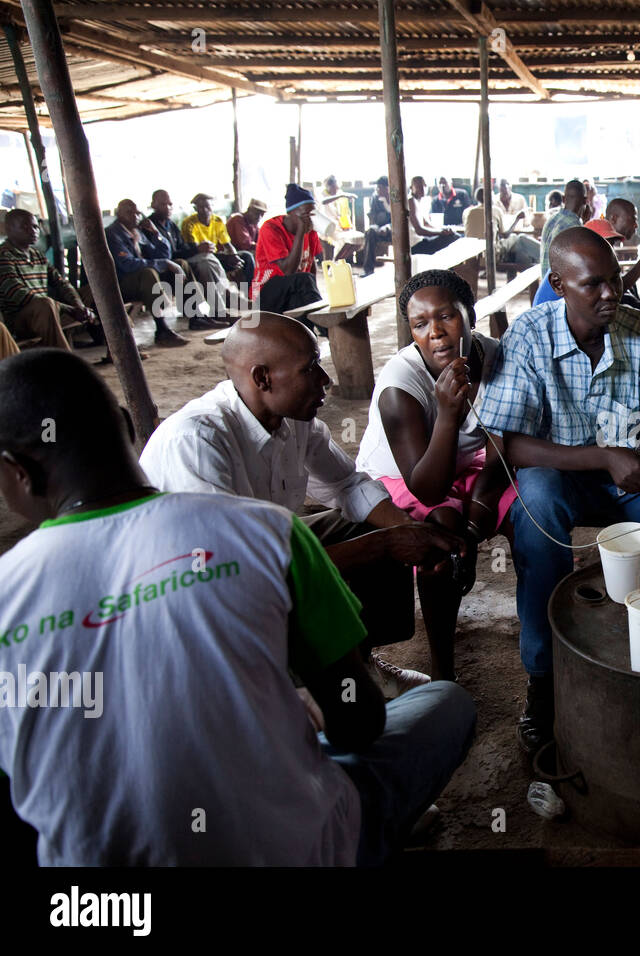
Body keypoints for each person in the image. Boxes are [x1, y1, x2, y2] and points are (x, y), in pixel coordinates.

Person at [0, 348, 476, 866]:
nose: (322, 379)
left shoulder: (9, 592)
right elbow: (357, 725)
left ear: (14, 471)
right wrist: (301, 709)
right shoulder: (262, 527)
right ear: (125, 429)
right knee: (448, 704)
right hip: (301, 849)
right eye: (308, 366)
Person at [476, 227, 640, 755]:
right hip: (566, 477)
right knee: (535, 502)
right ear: (558, 284)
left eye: (615, 280)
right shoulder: (527, 336)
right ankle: (544, 679)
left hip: (634, 479)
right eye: (593, 285)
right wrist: (604, 457)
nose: (610, 293)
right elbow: (509, 446)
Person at [139, 310, 456, 696]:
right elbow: (234, 569)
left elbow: (347, 484)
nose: (325, 381)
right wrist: (386, 544)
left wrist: (408, 530)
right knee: (369, 544)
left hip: (259, 547)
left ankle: (358, 664)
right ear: (262, 378)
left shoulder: (294, 420)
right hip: (199, 588)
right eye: (311, 369)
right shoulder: (197, 441)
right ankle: (301, 685)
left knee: (373, 524)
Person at [357, 270, 514, 682]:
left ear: (471, 315)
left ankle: (540, 646)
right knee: (441, 532)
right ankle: (444, 670)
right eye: (420, 324)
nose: (436, 333)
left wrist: (479, 510)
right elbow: (427, 489)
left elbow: (504, 445)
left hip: (470, 468)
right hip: (404, 477)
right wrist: (446, 411)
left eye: (447, 317)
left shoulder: (499, 357)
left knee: (528, 509)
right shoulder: (400, 383)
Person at [0, 207, 94, 351]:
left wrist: (79, 306)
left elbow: (61, 283)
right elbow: (16, 293)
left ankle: (116, 346)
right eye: (25, 226)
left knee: (95, 292)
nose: (33, 231)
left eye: (36, 226)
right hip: (20, 321)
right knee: (45, 304)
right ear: (9, 229)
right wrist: (69, 309)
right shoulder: (4, 255)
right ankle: (64, 361)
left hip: (47, 312)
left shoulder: (37, 255)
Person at [103, 199, 190, 347]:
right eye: (129, 213)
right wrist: (165, 263)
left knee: (181, 263)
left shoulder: (137, 232)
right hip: (122, 283)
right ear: (119, 214)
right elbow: (127, 265)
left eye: (137, 213)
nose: (135, 216)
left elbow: (164, 255)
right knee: (148, 273)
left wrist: (156, 234)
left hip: (143, 281)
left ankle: (196, 316)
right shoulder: (113, 234)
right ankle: (162, 329)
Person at [252, 184, 325, 315]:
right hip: (265, 294)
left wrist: (312, 293)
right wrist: (301, 233)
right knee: (303, 279)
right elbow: (288, 271)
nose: (310, 219)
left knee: (302, 309)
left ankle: (319, 330)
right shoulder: (271, 228)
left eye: (312, 214)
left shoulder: (311, 231)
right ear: (291, 213)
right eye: (305, 214)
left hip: (292, 290)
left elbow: (311, 265)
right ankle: (328, 325)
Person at [144, 189, 229, 296]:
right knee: (205, 263)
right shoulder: (149, 227)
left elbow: (182, 247)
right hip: (166, 268)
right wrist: (196, 249)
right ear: (153, 205)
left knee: (207, 257)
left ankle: (225, 295)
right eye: (163, 204)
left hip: (181, 260)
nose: (168, 208)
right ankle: (220, 303)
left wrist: (199, 248)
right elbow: (166, 256)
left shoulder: (170, 224)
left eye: (170, 204)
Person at [533, 178, 585, 307]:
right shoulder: (575, 227)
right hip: (559, 298)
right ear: (585, 201)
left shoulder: (552, 220)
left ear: (563, 199)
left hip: (546, 289)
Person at [182, 192, 254, 283]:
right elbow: (197, 250)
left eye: (207, 206)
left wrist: (234, 255)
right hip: (202, 258)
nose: (205, 210)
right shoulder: (189, 223)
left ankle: (251, 291)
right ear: (195, 208)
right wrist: (226, 257)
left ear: (212, 206)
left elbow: (227, 244)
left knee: (247, 256)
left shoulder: (217, 220)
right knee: (212, 261)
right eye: (200, 207)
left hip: (217, 255)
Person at [604, 198, 640, 303]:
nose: (636, 225)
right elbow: (619, 288)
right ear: (614, 219)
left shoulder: (609, 243)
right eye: (633, 219)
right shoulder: (602, 245)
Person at [490, 179, 541, 270]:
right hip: (501, 242)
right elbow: (504, 234)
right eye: (502, 191)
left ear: (510, 187)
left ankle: (523, 275)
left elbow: (527, 222)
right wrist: (516, 219)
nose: (504, 194)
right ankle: (546, 258)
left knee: (521, 248)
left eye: (506, 189)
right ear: (498, 189)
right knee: (521, 241)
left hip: (513, 235)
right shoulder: (494, 203)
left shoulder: (519, 199)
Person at [315, 175, 364, 262]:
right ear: (328, 186)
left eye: (336, 187)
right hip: (325, 228)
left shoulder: (339, 193)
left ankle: (337, 262)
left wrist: (346, 225)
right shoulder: (321, 193)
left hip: (338, 227)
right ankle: (333, 265)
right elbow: (323, 201)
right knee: (333, 249)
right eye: (333, 187)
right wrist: (341, 196)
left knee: (355, 239)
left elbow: (343, 213)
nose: (336, 190)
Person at [408, 176, 458, 256]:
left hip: (421, 241)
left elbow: (426, 224)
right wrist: (441, 233)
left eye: (424, 186)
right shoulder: (411, 201)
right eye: (418, 186)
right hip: (416, 246)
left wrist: (444, 230)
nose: (422, 188)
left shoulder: (419, 202)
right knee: (454, 238)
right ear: (411, 188)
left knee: (453, 235)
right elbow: (419, 230)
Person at [361, 175, 392, 277]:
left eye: (380, 187)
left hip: (394, 230)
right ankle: (368, 270)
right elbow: (373, 217)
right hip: (379, 228)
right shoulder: (375, 198)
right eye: (377, 187)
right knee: (370, 232)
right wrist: (377, 227)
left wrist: (388, 227)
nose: (377, 190)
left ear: (387, 188)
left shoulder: (395, 198)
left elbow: (400, 219)